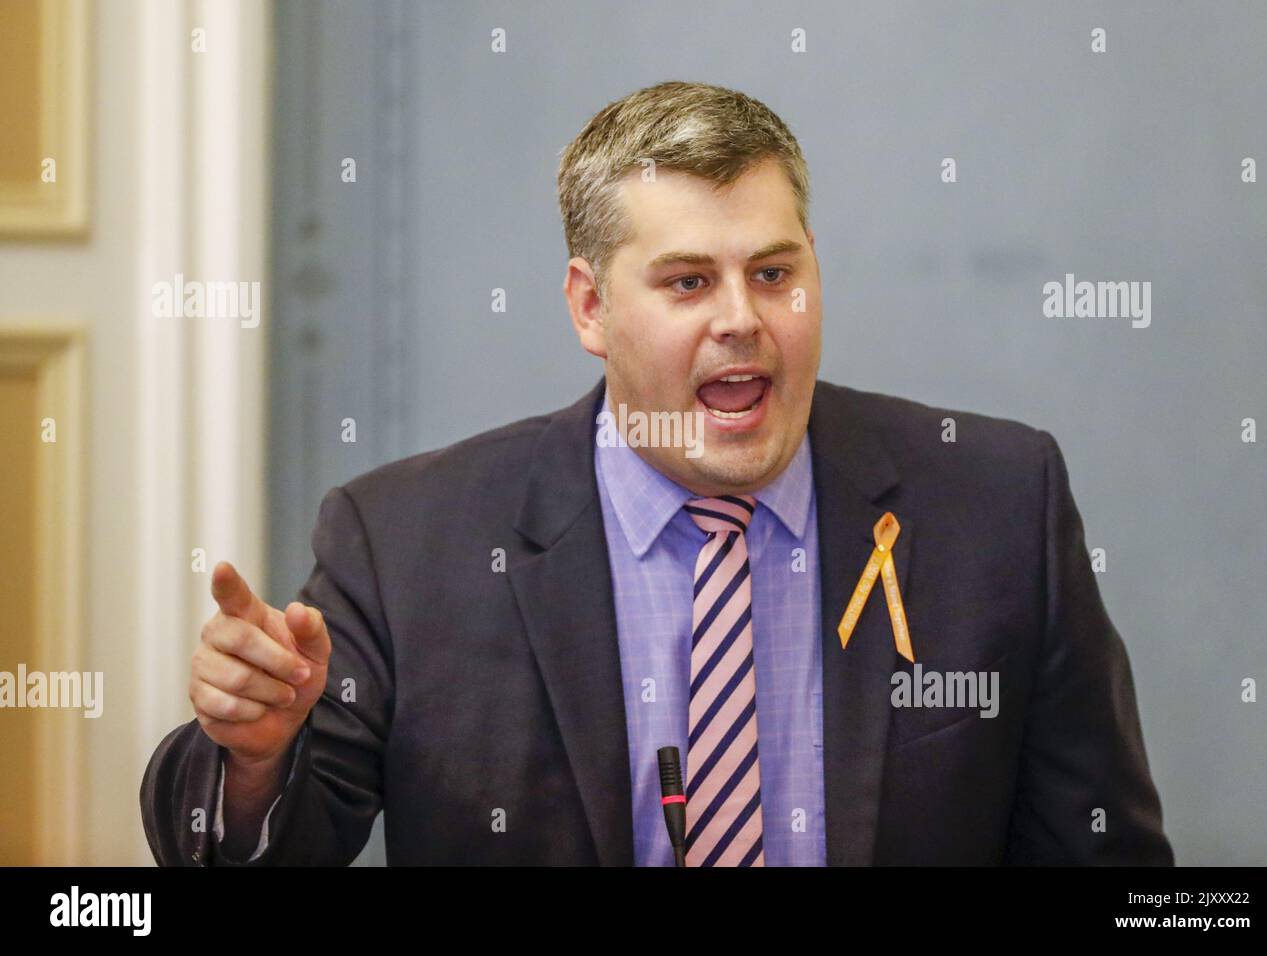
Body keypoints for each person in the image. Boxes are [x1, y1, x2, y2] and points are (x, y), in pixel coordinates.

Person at [140, 80, 1174, 866]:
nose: (741, 318)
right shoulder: (407, 541)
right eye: (687, 281)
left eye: (773, 273)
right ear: (589, 307)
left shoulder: (995, 504)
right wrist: (256, 757)